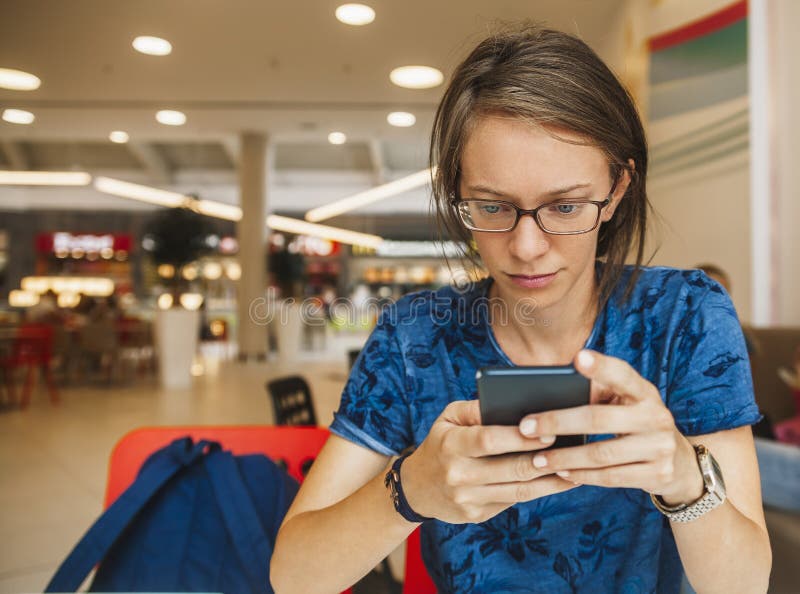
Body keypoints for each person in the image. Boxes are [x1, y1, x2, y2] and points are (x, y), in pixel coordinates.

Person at [271, 24, 771, 594]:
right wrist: (410, 490)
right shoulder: (416, 337)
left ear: (618, 190)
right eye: (492, 205)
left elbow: (745, 585)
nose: (527, 247)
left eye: (564, 206)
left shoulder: (686, 317)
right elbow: (293, 577)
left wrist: (685, 478)